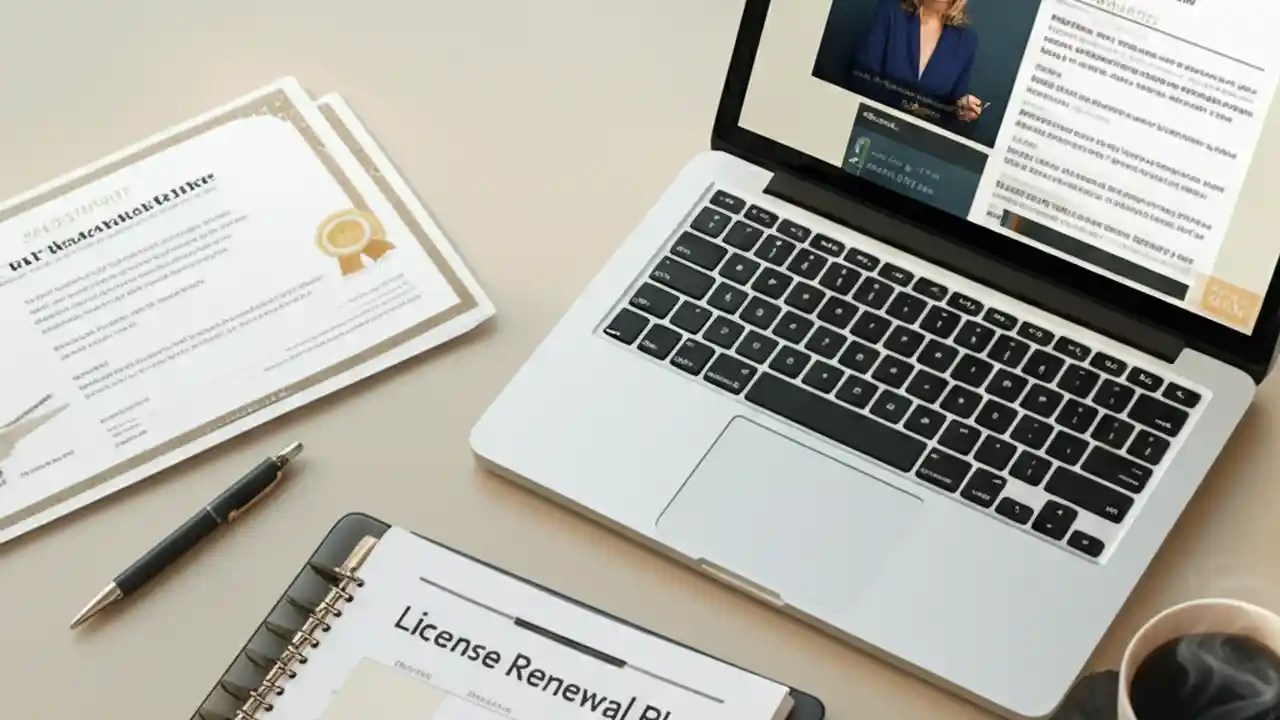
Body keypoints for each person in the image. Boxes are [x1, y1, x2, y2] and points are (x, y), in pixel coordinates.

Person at [854, 0, 983, 122]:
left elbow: (957, 97)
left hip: (922, 134)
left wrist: (964, 106)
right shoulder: (890, 10)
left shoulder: (966, 40)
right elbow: (862, 75)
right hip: (874, 120)